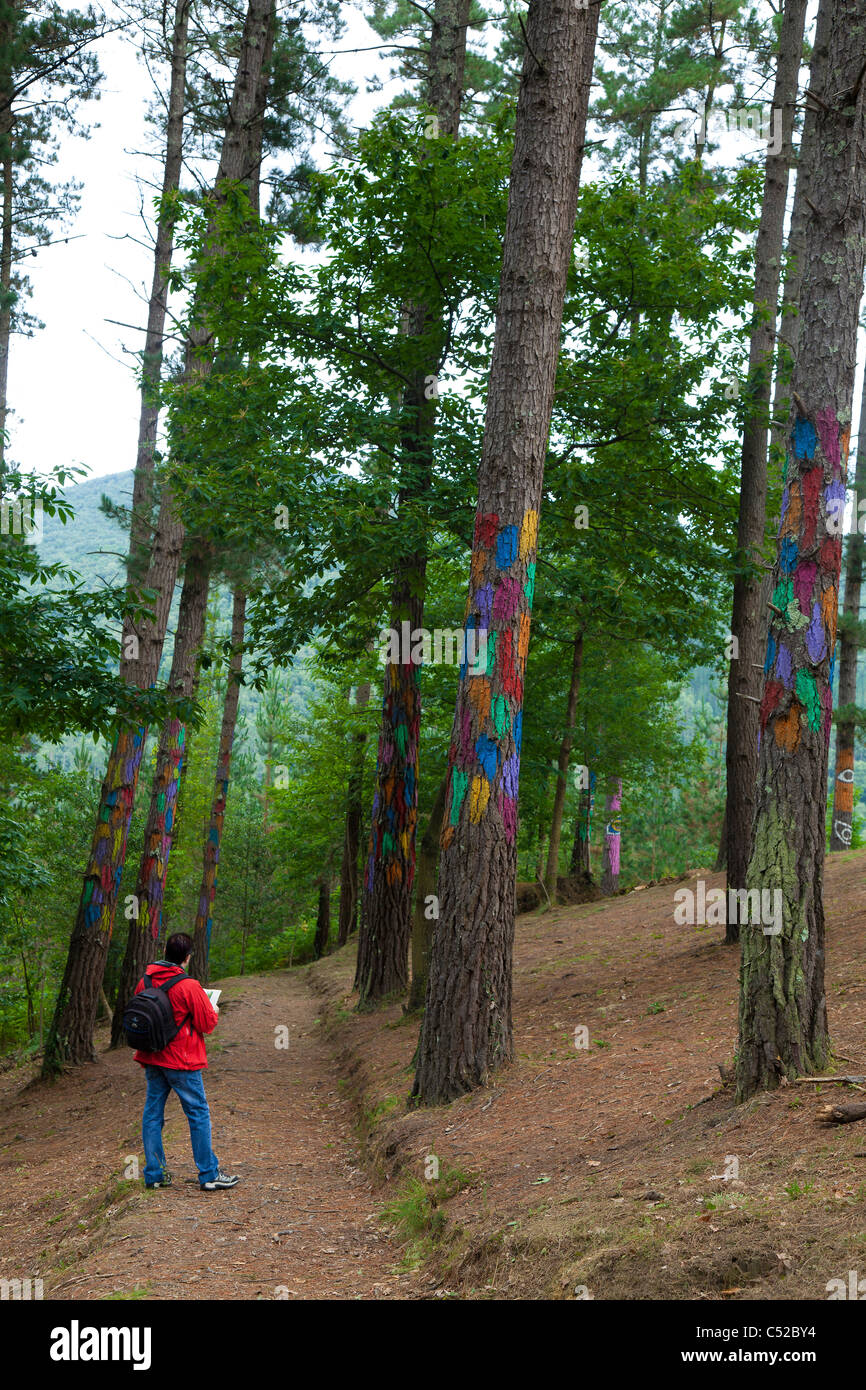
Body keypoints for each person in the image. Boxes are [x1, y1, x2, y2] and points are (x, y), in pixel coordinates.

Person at [133, 931, 239, 1192]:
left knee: (153, 1114)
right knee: (198, 1113)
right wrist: (213, 1010)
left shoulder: (145, 980)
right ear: (187, 958)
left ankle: (155, 1174)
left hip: (152, 1056)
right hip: (182, 1060)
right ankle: (209, 1174)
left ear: (166, 953)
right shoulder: (189, 985)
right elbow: (207, 1024)